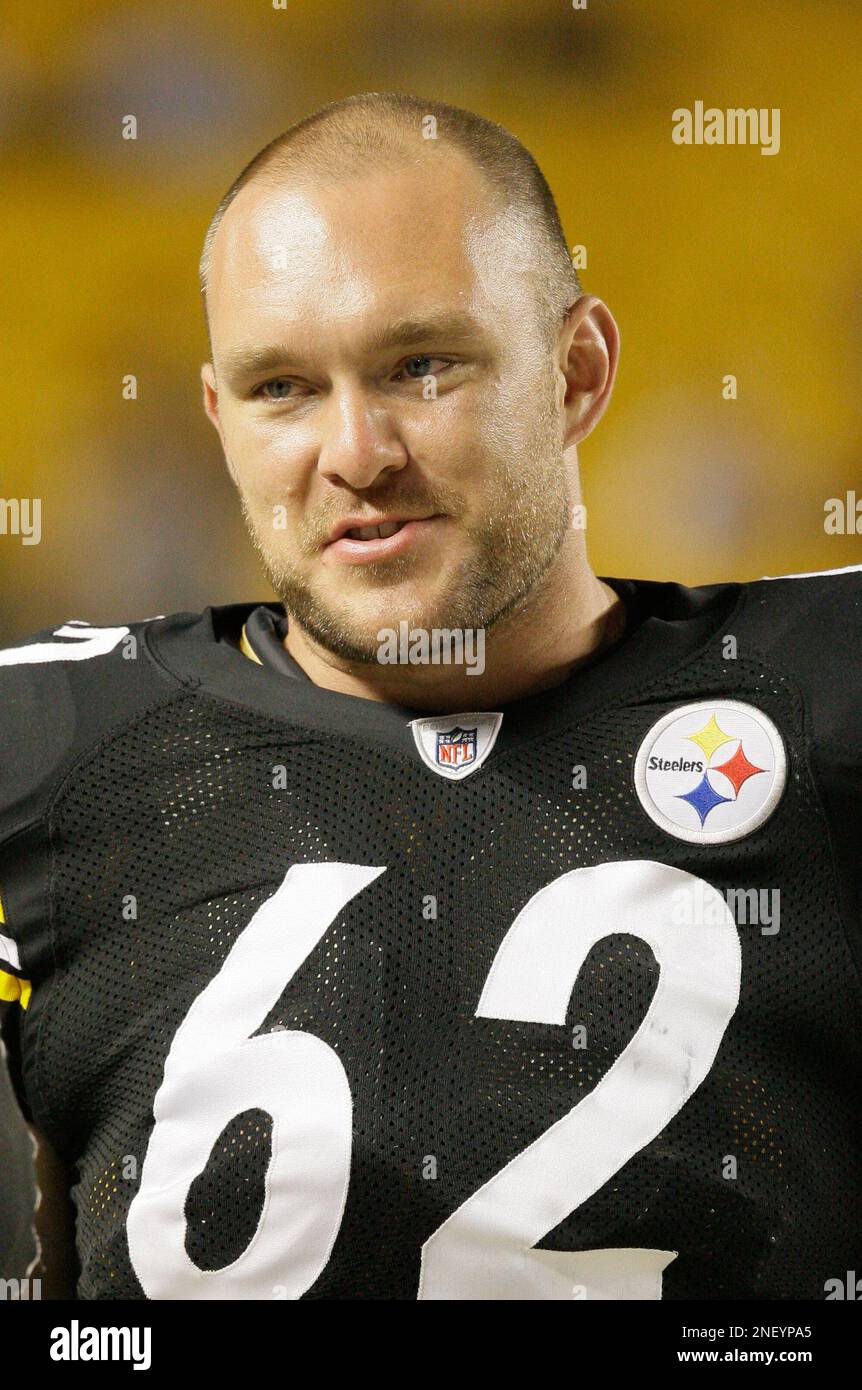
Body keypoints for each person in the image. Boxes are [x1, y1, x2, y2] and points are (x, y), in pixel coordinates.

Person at [1, 92, 859, 1300]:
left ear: (577, 372)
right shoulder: (41, 754)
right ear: (219, 419)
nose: (355, 449)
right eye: (281, 388)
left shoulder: (825, 698)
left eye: (421, 365)